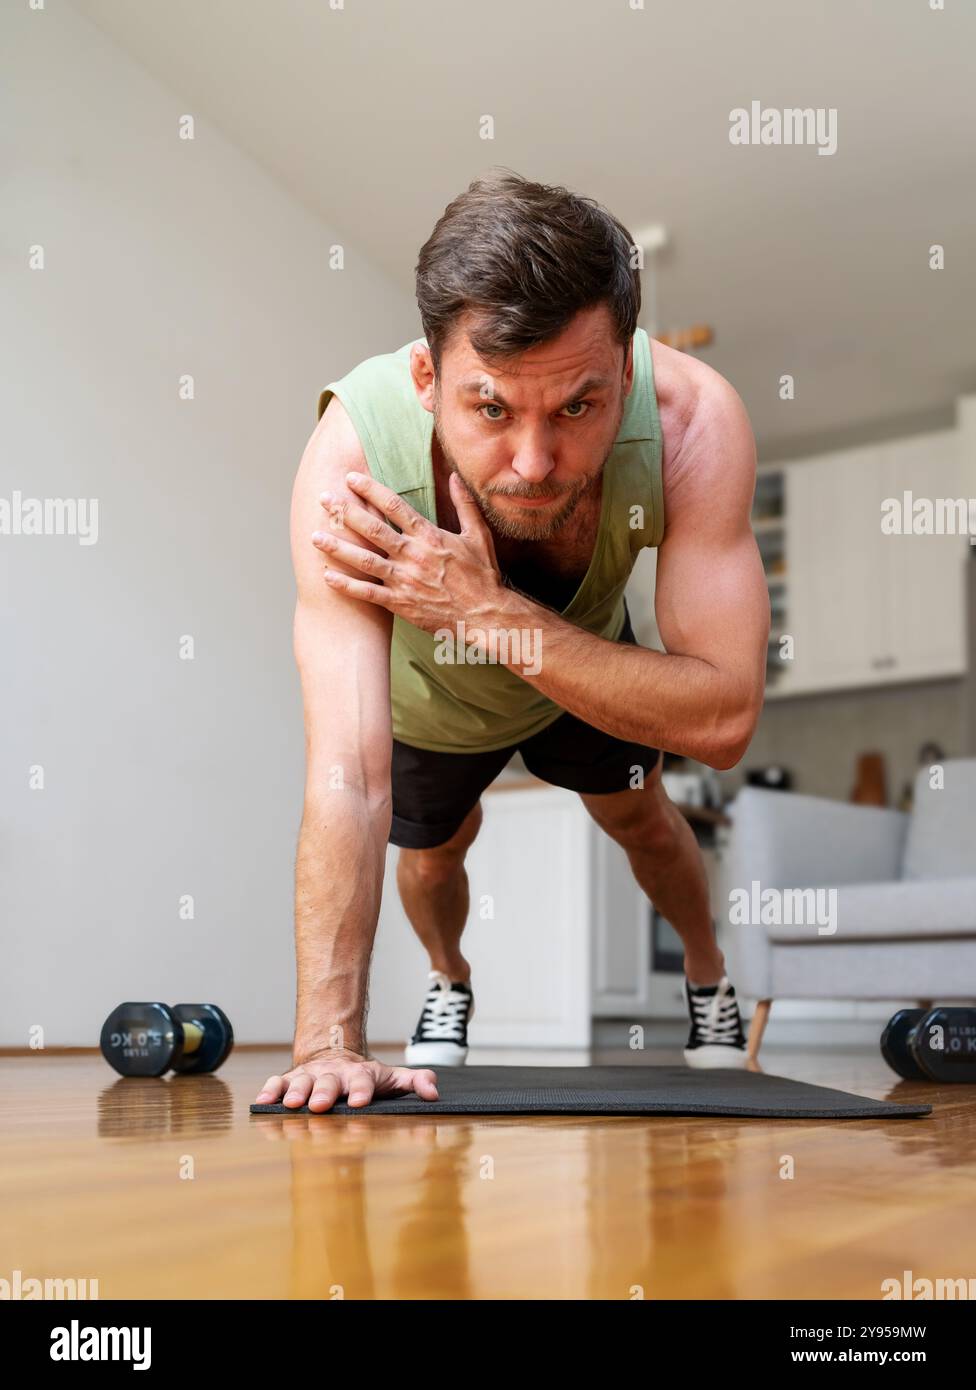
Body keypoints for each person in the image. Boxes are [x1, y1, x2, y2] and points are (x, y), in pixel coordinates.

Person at [255, 170, 769, 1113]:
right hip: (433, 700)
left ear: (624, 373)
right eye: (491, 408)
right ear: (427, 379)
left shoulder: (694, 421)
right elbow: (347, 777)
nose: (535, 464)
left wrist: (486, 615)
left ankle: (708, 977)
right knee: (433, 855)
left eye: (577, 407)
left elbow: (727, 716)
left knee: (643, 820)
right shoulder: (355, 461)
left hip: (584, 667)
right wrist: (327, 1041)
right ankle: (450, 980)